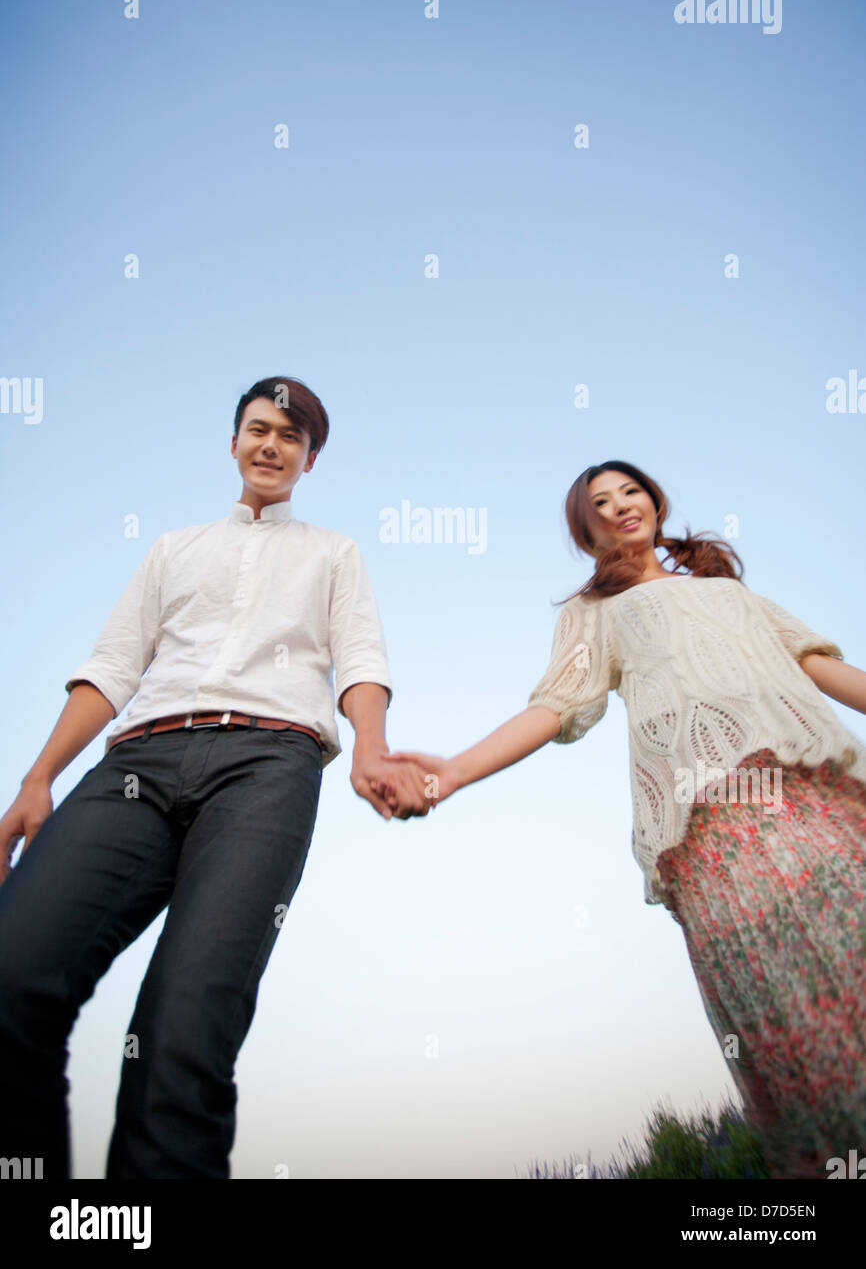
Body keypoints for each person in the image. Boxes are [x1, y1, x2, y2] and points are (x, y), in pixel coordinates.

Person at [380, 460, 866, 1180]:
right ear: (586, 532)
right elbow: (555, 708)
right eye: (598, 504)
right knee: (785, 1007)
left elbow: (816, 665)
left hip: (812, 795)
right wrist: (452, 770)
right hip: (716, 828)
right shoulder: (594, 613)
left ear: (655, 499)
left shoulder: (724, 588)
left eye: (629, 491)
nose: (619, 507)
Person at [0, 375, 428, 1180]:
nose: (271, 444)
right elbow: (113, 667)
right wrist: (37, 780)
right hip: (138, 764)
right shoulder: (173, 548)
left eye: (291, 437)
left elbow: (361, 657)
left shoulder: (334, 552)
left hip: (267, 768)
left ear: (309, 460)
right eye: (259, 428)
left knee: (183, 1029)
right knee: (12, 974)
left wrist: (370, 745)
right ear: (233, 442)